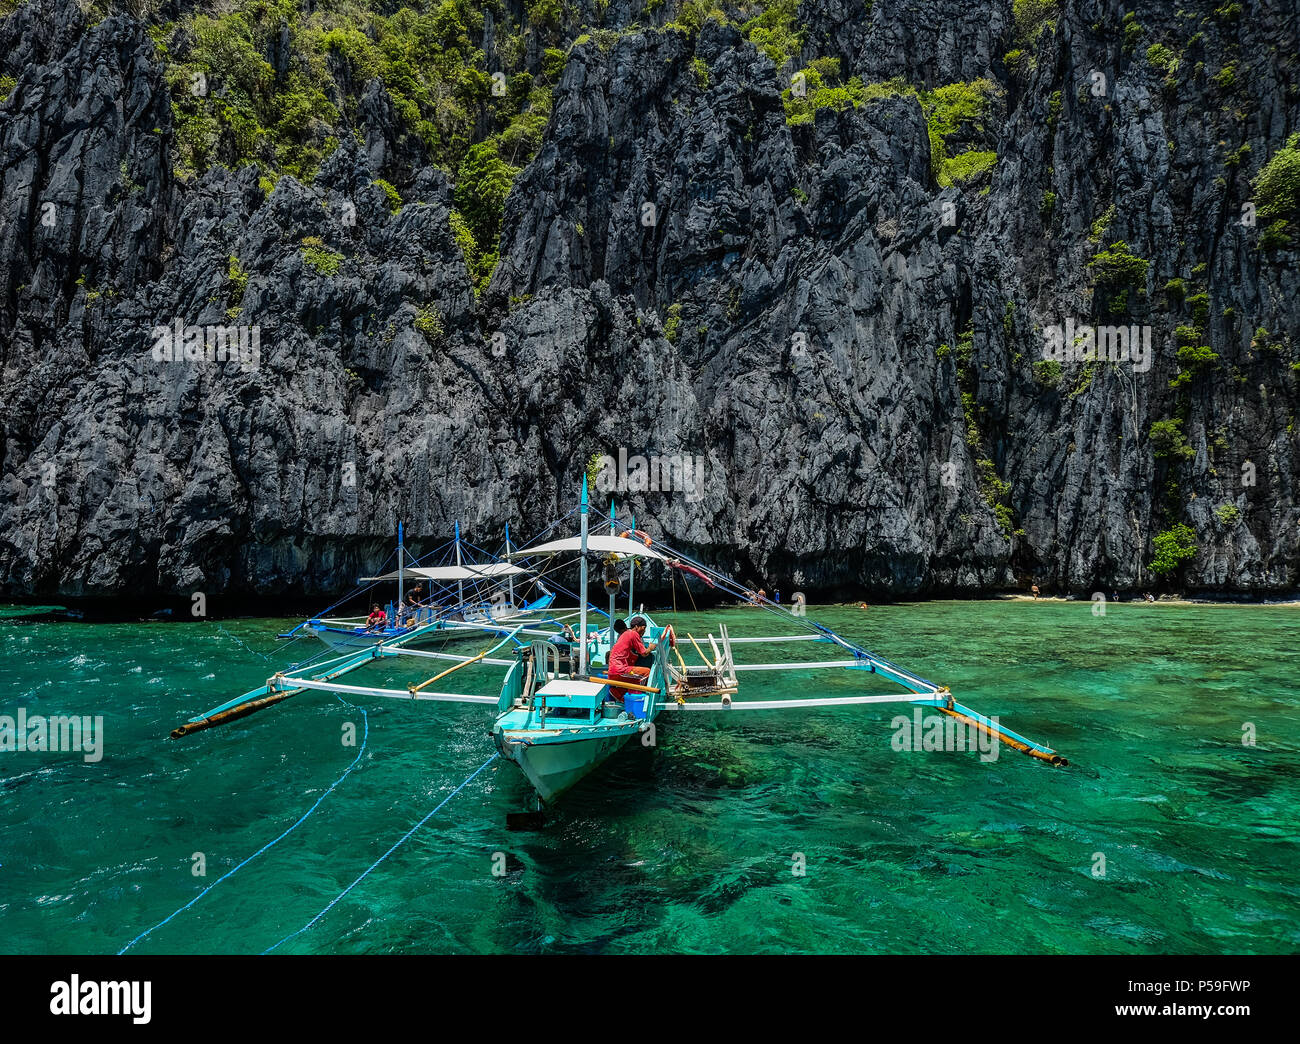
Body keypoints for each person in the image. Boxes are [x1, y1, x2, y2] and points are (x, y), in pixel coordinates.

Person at [607, 615, 656, 697]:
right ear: (637, 627)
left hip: (613, 669)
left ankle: (619, 691)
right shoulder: (633, 634)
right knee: (647, 672)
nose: (644, 631)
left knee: (635, 672)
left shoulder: (625, 634)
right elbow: (644, 653)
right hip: (618, 670)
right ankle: (639, 694)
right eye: (643, 628)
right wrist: (651, 648)